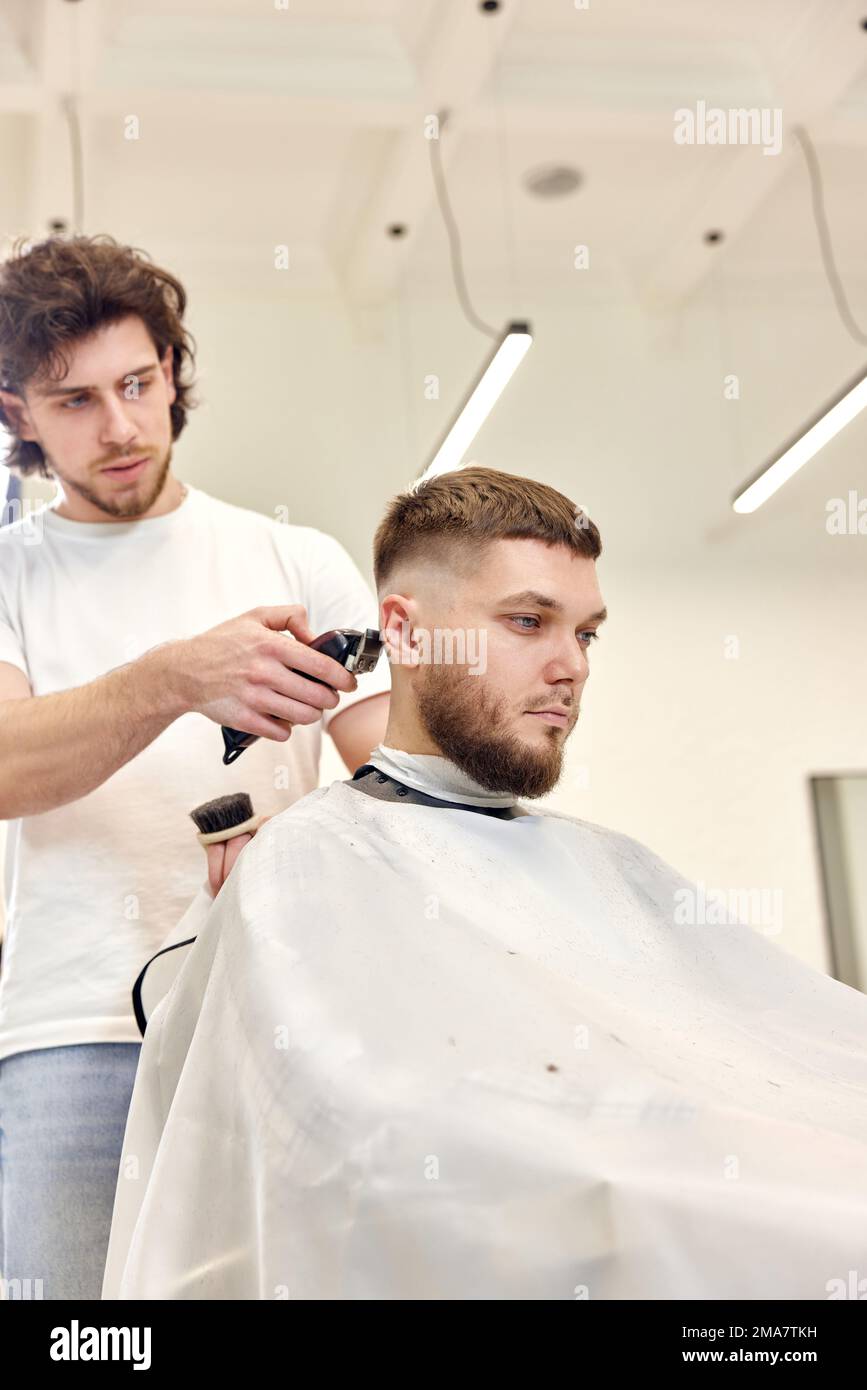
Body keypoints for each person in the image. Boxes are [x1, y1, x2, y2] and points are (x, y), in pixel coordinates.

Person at [103, 465, 867, 1301]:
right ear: (404, 630)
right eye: (528, 621)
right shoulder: (301, 864)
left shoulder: (608, 866)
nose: (569, 667)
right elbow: (359, 1139)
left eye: (585, 634)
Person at [0, 234, 390, 1301]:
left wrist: (304, 847)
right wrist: (175, 675)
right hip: (71, 1029)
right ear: (19, 414)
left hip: (279, 1014)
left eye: (136, 382)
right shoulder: (10, 574)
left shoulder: (297, 560)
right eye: (73, 399)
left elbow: (399, 793)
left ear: (173, 370)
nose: (120, 426)